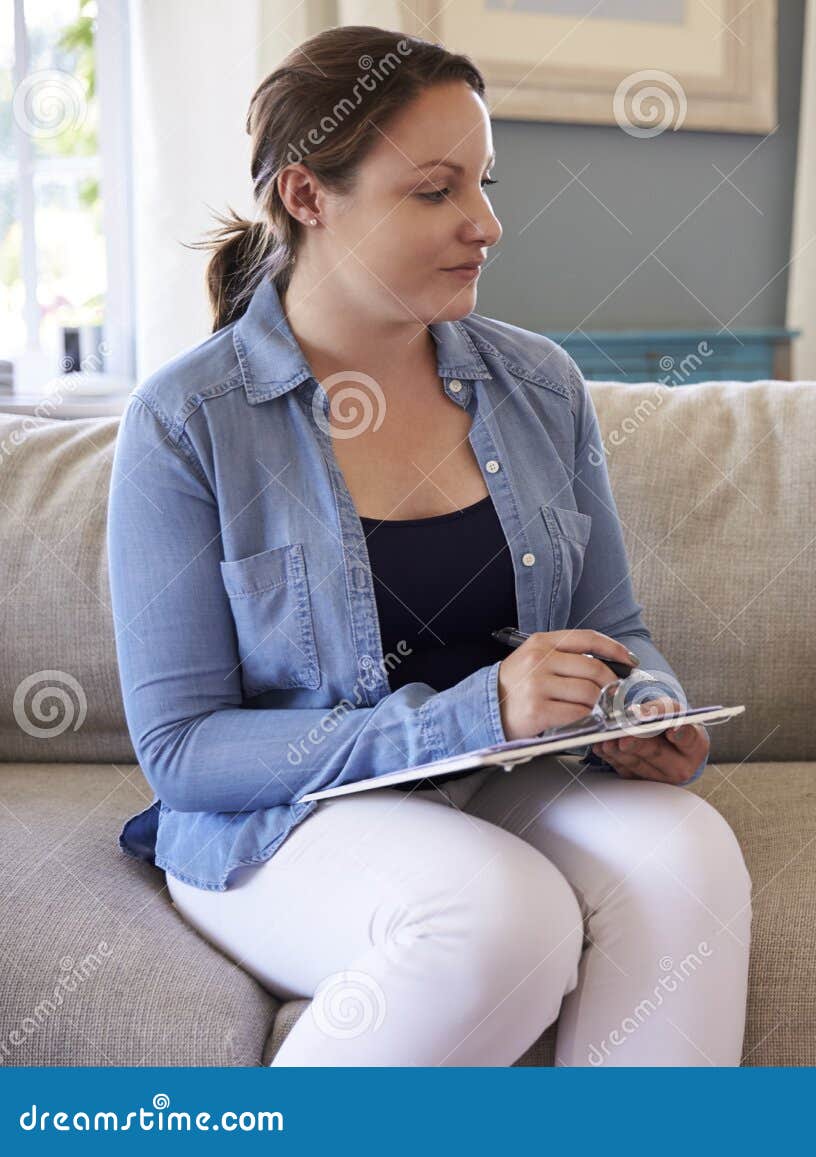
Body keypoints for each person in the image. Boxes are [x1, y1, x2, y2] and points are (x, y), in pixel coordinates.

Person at [105, 25, 750, 1066]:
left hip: (503, 779)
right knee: (505, 915)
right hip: (288, 819)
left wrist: (644, 708)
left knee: (689, 855)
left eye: (484, 183)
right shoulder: (190, 421)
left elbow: (615, 626)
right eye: (435, 190)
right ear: (310, 197)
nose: (486, 223)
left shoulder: (537, 387)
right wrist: (471, 711)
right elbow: (182, 751)